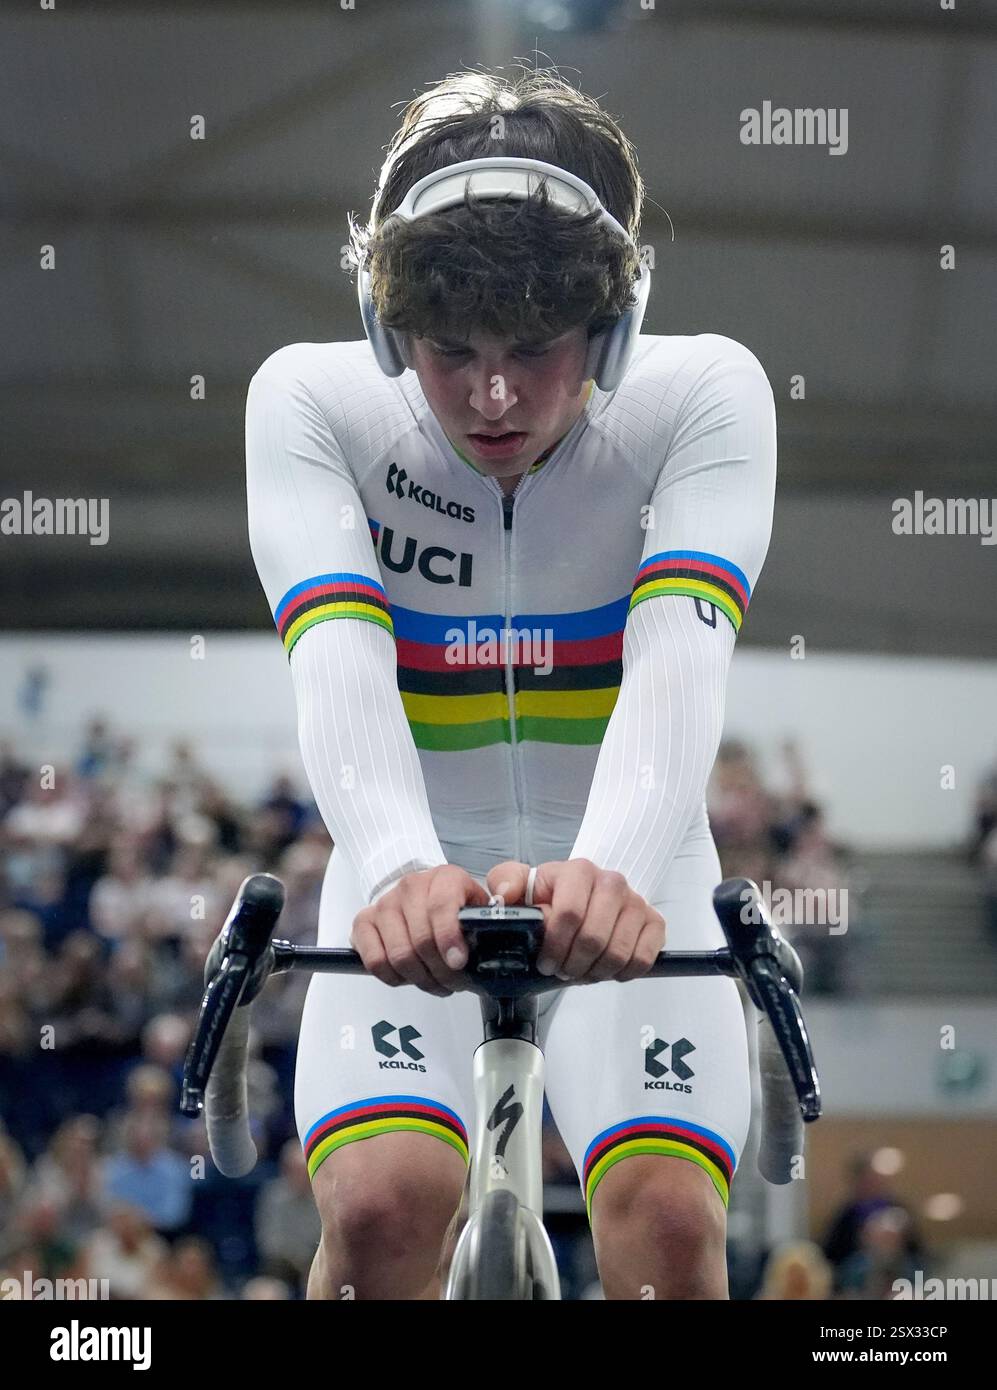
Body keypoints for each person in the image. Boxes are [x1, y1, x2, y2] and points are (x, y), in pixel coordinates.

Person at [246, 67, 776, 1300]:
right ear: (388, 331)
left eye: (536, 349)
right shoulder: (311, 400)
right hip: (411, 870)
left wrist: (624, 865)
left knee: (670, 1236)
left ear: (613, 328)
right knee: (381, 1212)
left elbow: (680, 650)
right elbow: (335, 653)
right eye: (449, 351)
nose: (493, 396)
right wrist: (388, 867)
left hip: (641, 875)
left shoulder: (703, 394)